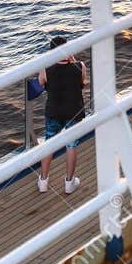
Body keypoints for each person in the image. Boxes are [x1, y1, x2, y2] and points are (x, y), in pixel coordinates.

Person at [36, 38, 87, 194]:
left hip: (54, 111)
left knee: (49, 144)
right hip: (74, 111)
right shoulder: (80, 66)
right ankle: (69, 183)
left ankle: (43, 181)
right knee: (71, 145)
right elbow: (82, 83)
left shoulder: (46, 69)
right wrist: (73, 60)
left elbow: (41, 84)